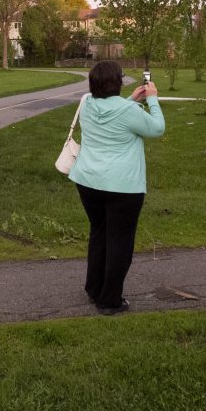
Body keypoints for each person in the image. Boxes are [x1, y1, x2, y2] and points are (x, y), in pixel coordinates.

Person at [67, 60, 164, 314]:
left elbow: (113, 113)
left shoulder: (86, 103)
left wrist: (131, 99)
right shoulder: (127, 112)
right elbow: (157, 128)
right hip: (122, 187)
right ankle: (109, 300)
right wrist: (152, 99)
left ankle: (94, 288)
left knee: (99, 233)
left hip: (88, 182)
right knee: (120, 241)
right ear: (118, 82)